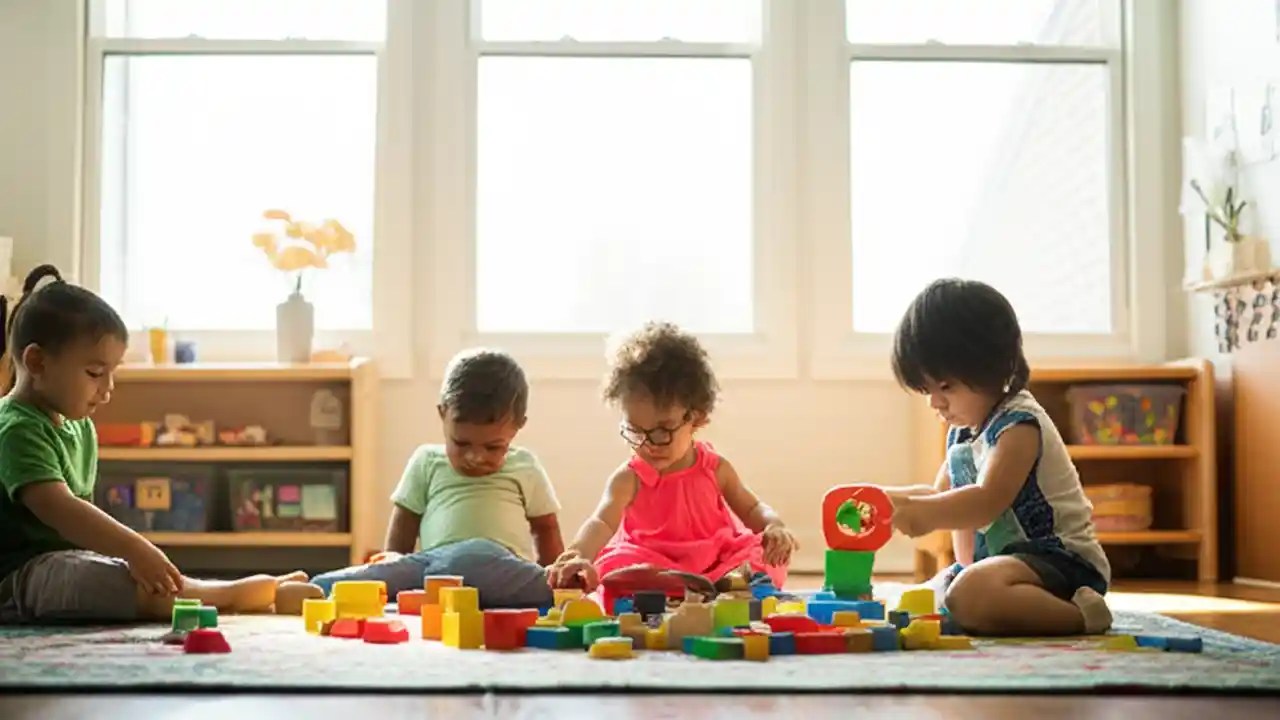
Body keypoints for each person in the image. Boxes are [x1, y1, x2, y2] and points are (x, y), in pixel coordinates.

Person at [0, 265, 314, 624]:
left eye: (113, 372)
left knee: (123, 575)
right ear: (37, 362)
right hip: (17, 581)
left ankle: (227, 592)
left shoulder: (79, 426)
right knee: (105, 579)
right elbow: (59, 508)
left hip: (64, 564)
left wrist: (132, 558)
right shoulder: (15, 428)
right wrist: (135, 548)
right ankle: (230, 596)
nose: (108, 388)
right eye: (94, 373)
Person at [885, 278, 1112, 636]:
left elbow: (986, 501)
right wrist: (884, 501)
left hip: (1057, 563)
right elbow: (941, 496)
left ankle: (1082, 615)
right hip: (992, 567)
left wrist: (922, 514)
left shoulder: (1019, 425)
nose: (935, 403)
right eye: (926, 389)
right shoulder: (963, 431)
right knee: (908, 605)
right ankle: (981, 598)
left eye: (945, 387)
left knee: (973, 596)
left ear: (994, 367)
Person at [547, 321, 798, 595]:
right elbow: (601, 522)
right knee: (616, 565)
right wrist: (578, 553)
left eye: (663, 431)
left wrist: (774, 526)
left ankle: (724, 583)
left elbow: (752, 509)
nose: (649, 444)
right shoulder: (628, 478)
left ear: (696, 417)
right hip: (651, 561)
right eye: (636, 431)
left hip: (717, 559)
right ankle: (693, 589)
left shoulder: (715, 467)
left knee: (764, 553)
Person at [311, 348, 563, 608]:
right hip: (434, 570)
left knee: (494, 567)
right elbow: (405, 520)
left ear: (518, 426)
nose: (475, 457)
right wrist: (395, 559)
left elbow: (546, 527)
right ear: (443, 415)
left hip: (499, 570)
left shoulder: (524, 465)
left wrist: (555, 576)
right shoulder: (427, 461)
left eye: (492, 447)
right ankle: (310, 586)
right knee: (362, 580)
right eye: (461, 443)